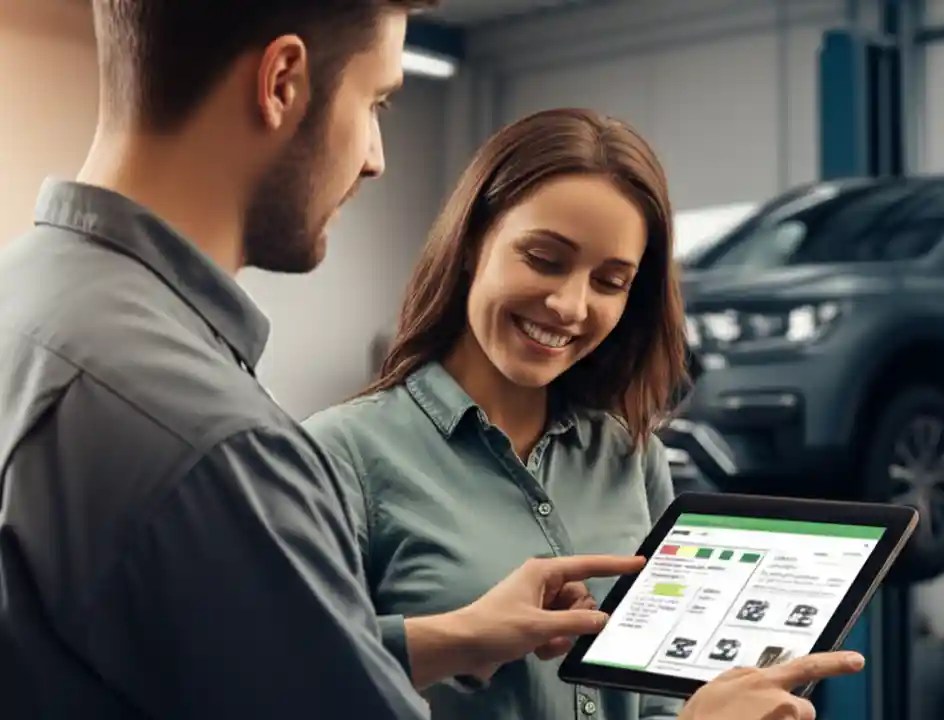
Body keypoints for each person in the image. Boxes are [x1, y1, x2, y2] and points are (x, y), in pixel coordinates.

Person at [0, 1, 864, 718]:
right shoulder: (232, 445)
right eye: (377, 103)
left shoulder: (32, 311)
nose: (376, 157)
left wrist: (454, 635)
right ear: (283, 81)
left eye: (612, 279)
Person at [303, 107, 682, 720]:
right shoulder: (336, 455)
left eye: (610, 282)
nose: (569, 305)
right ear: (474, 241)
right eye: (544, 258)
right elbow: (278, 674)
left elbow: (655, 702)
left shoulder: (632, 456)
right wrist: (462, 637)